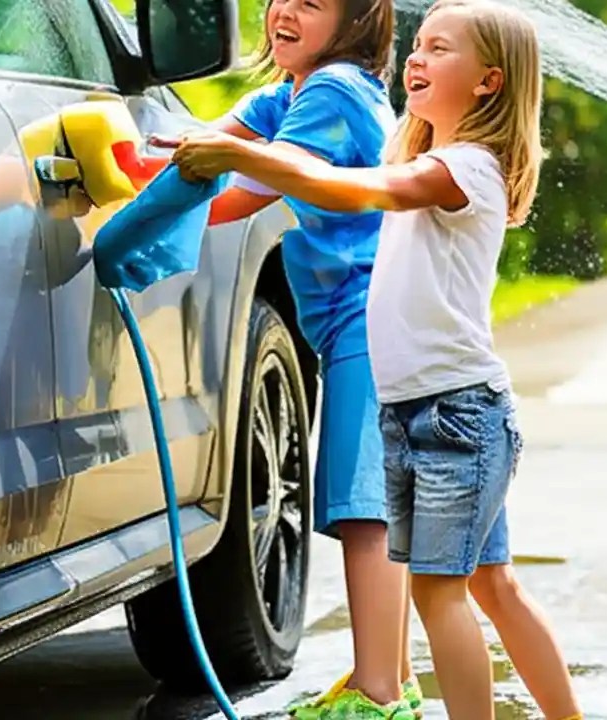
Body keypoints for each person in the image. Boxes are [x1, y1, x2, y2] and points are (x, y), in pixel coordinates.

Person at [169, 1, 583, 717]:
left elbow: (355, 189)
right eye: (417, 46)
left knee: (439, 592)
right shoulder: (419, 150)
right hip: (418, 412)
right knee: (492, 586)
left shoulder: (467, 169)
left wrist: (242, 158)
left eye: (440, 50)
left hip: (457, 417)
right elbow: (323, 136)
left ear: (488, 82)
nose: (416, 60)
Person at [153, 0, 420, 716]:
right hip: (358, 327)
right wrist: (150, 161)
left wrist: (148, 209)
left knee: (364, 513)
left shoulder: (335, 90)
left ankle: (378, 695)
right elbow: (210, 137)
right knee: (372, 509)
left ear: (357, 23)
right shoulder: (296, 92)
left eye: (312, 3)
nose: (283, 13)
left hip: (371, 324)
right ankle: (391, 682)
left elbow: (248, 189)